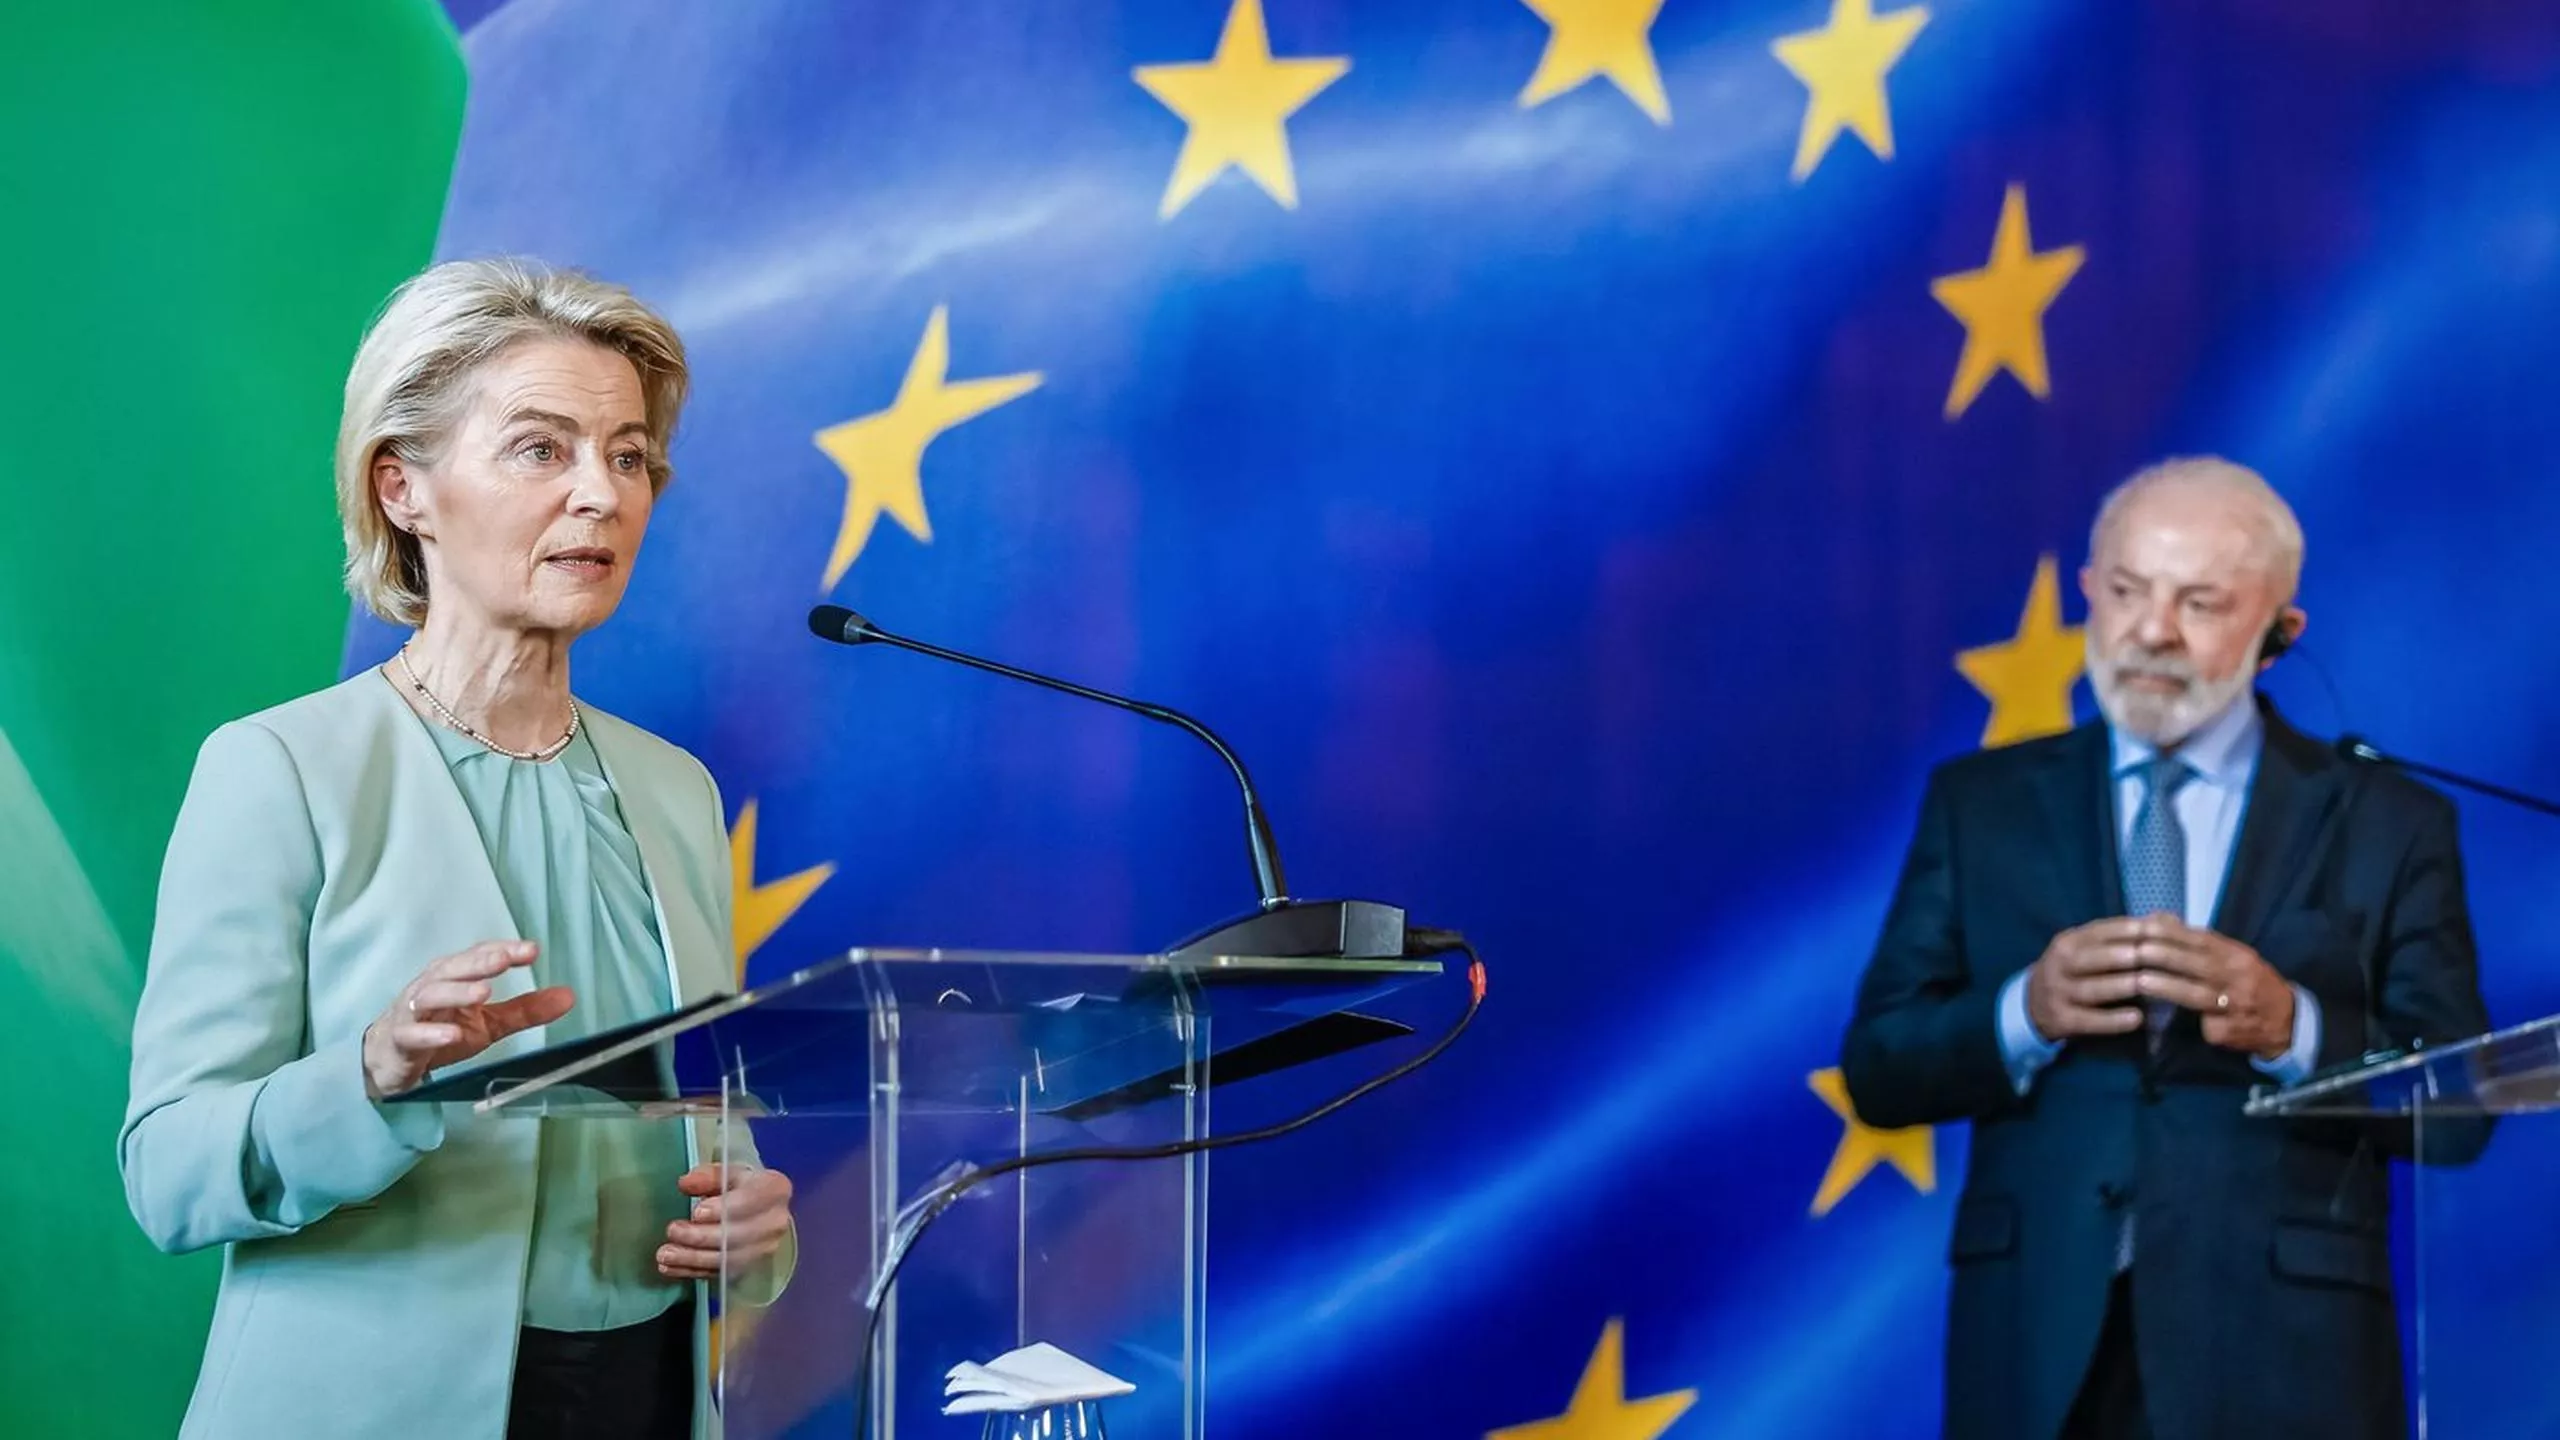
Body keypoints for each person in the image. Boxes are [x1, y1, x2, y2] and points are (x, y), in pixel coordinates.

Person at [120, 257, 793, 1440]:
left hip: (647, 1399)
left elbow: (705, 1120)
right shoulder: (278, 769)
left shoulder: (674, 790)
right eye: (542, 449)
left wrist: (756, 1230)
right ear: (403, 489)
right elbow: (171, 1174)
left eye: (628, 455)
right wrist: (371, 1076)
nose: (602, 494)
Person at [1840, 457, 2492, 1440]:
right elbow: (1880, 1071)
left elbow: (2459, 1113)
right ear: (2088, 594)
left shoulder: (2386, 821)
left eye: (2199, 603)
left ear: (2279, 634)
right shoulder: (1981, 808)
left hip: (2284, 1359)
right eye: (2126, 592)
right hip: (2039, 1346)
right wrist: (2022, 1013)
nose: (2151, 632)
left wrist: (2296, 1029)